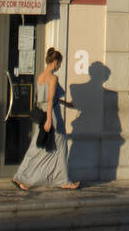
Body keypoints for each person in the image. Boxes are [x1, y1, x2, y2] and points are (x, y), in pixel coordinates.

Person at [12, 47, 80, 190]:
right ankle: (63, 180)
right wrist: (50, 119)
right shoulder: (53, 78)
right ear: (55, 62)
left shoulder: (41, 77)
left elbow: (46, 98)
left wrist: (67, 104)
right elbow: (50, 99)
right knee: (60, 147)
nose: (59, 66)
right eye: (59, 63)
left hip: (44, 114)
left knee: (37, 148)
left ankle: (22, 177)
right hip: (52, 116)